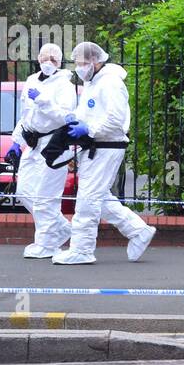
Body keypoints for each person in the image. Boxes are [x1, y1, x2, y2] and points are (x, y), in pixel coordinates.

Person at [51, 42, 156, 265]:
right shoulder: (93, 82)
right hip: (94, 146)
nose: (79, 68)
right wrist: (75, 122)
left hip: (107, 146)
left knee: (88, 199)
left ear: (95, 61)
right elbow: (88, 113)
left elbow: (115, 120)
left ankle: (82, 249)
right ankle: (139, 230)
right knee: (99, 197)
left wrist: (89, 129)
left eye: (81, 63)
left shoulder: (110, 83)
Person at [7, 43, 77, 259]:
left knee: (46, 197)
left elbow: (65, 117)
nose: (48, 63)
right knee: (25, 191)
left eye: (53, 60)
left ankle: (47, 244)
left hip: (53, 144)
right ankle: (62, 228)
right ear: (38, 59)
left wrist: (43, 101)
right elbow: (25, 113)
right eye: (44, 58)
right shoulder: (31, 81)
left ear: (59, 62)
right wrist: (16, 142)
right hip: (32, 142)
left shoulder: (65, 85)